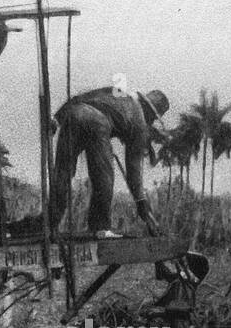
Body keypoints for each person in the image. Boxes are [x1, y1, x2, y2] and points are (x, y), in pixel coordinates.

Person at [46, 87, 168, 238]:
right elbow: (133, 170)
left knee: (62, 173)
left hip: (73, 115)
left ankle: (50, 224)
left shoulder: (119, 92)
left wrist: (56, 119)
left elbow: (82, 97)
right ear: (149, 111)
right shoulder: (140, 123)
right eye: (154, 118)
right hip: (97, 123)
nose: (152, 122)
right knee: (104, 178)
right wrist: (141, 202)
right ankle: (100, 227)